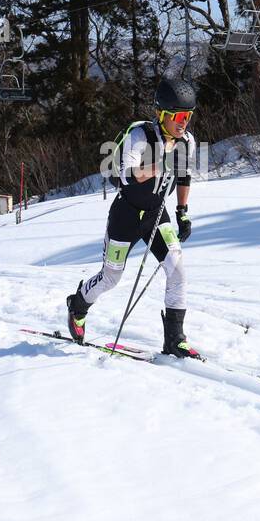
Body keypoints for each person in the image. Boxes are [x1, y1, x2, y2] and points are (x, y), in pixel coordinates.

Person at [66, 76, 199, 358]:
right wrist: (162, 164)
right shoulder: (139, 136)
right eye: (178, 116)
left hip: (156, 215)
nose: (184, 123)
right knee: (111, 277)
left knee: (177, 269)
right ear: (161, 114)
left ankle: (175, 339)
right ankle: (78, 305)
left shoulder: (187, 142)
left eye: (188, 116)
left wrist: (182, 212)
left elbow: (184, 177)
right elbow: (127, 176)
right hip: (125, 215)